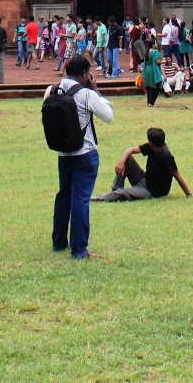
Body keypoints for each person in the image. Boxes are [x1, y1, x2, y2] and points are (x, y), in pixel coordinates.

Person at [44, 56, 114, 260]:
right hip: (85, 153)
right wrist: (95, 88)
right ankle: (79, 250)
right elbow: (108, 116)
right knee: (81, 200)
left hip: (62, 152)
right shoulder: (85, 94)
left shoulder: (52, 90)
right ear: (84, 74)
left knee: (64, 195)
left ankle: (59, 242)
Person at [93, 127, 192, 202]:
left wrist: (189, 194)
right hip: (144, 180)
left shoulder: (166, 156)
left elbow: (177, 175)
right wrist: (122, 161)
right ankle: (115, 189)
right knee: (128, 158)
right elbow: (130, 150)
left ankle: (97, 198)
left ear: (151, 142)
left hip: (151, 192)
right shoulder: (151, 147)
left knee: (123, 192)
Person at [141, 41, 164, 106]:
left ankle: (149, 102)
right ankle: (152, 102)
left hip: (147, 70)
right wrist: (164, 62)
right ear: (153, 44)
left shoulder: (147, 51)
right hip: (154, 70)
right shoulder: (155, 52)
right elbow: (157, 61)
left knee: (149, 87)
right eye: (156, 43)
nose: (157, 44)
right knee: (156, 86)